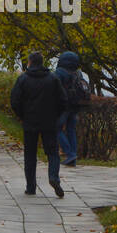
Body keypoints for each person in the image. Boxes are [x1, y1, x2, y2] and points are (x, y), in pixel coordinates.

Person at [10, 51, 68, 198]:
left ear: (30, 62)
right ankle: (53, 177)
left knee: (30, 154)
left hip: (30, 122)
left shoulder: (23, 79)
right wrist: (56, 116)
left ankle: (30, 187)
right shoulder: (53, 79)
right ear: (42, 62)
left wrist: (22, 115)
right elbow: (63, 100)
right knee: (53, 152)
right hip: (49, 122)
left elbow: (15, 100)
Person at [53, 50, 88, 167]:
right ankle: (73, 155)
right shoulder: (78, 73)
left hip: (63, 106)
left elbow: (53, 87)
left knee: (56, 129)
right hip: (75, 105)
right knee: (71, 130)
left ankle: (69, 154)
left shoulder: (59, 72)